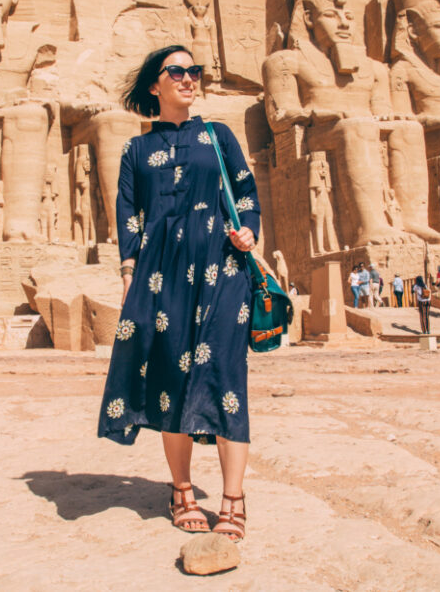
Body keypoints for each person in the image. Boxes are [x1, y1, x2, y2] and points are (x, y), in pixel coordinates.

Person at [97, 45, 259, 542]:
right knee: (171, 371)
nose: (189, 79)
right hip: (159, 274)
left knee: (227, 374)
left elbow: (246, 190)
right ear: (155, 85)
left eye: (195, 72)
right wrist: (128, 273)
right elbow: (128, 215)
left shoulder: (218, 135)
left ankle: (233, 497)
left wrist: (249, 229)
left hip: (222, 267)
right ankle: (182, 489)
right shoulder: (136, 150)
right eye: (178, 72)